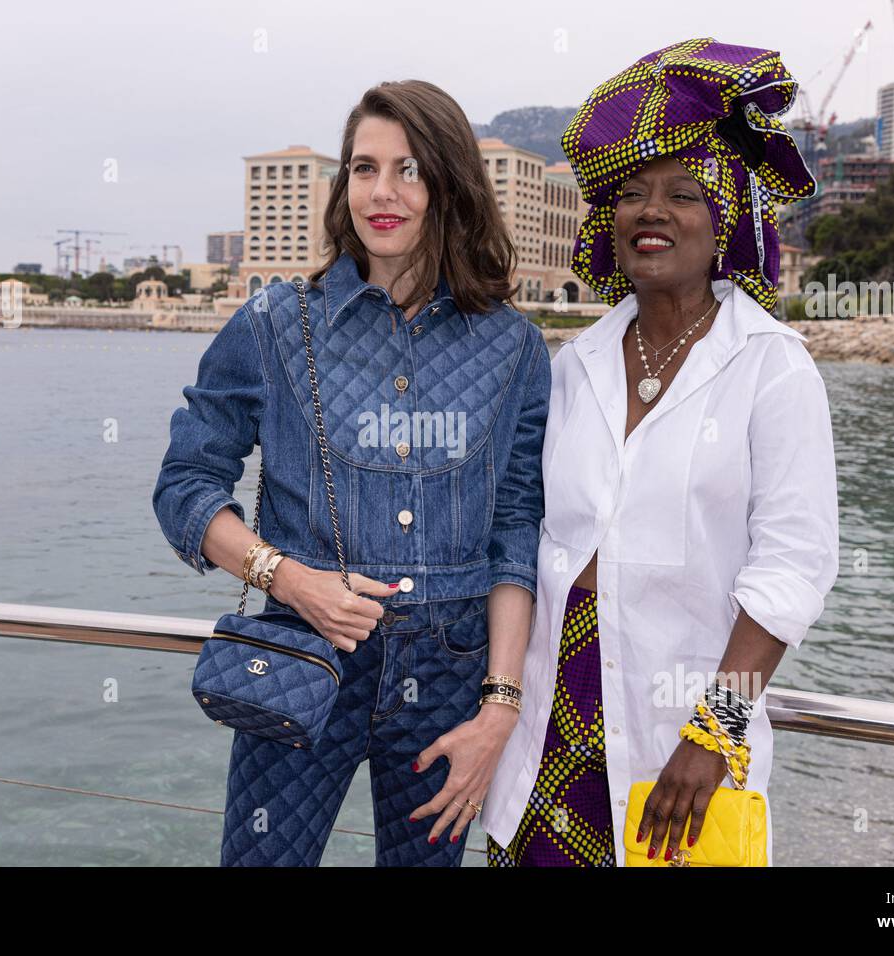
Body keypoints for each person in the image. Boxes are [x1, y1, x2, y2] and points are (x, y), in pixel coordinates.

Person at [153, 79, 550, 866]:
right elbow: (184, 486)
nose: (383, 192)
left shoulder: (514, 348)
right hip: (304, 656)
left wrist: (500, 708)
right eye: (364, 168)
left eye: (409, 169)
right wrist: (289, 579)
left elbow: (515, 531)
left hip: (450, 677)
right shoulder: (273, 324)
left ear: (449, 185)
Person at [480, 38, 840, 867]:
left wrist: (717, 728)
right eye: (633, 195)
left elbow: (793, 566)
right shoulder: (575, 364)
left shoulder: (772, 366)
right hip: (549, 727)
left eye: (683, 194)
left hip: (685, 731)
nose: (653, 212)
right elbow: (533, 534)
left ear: (727, 220)